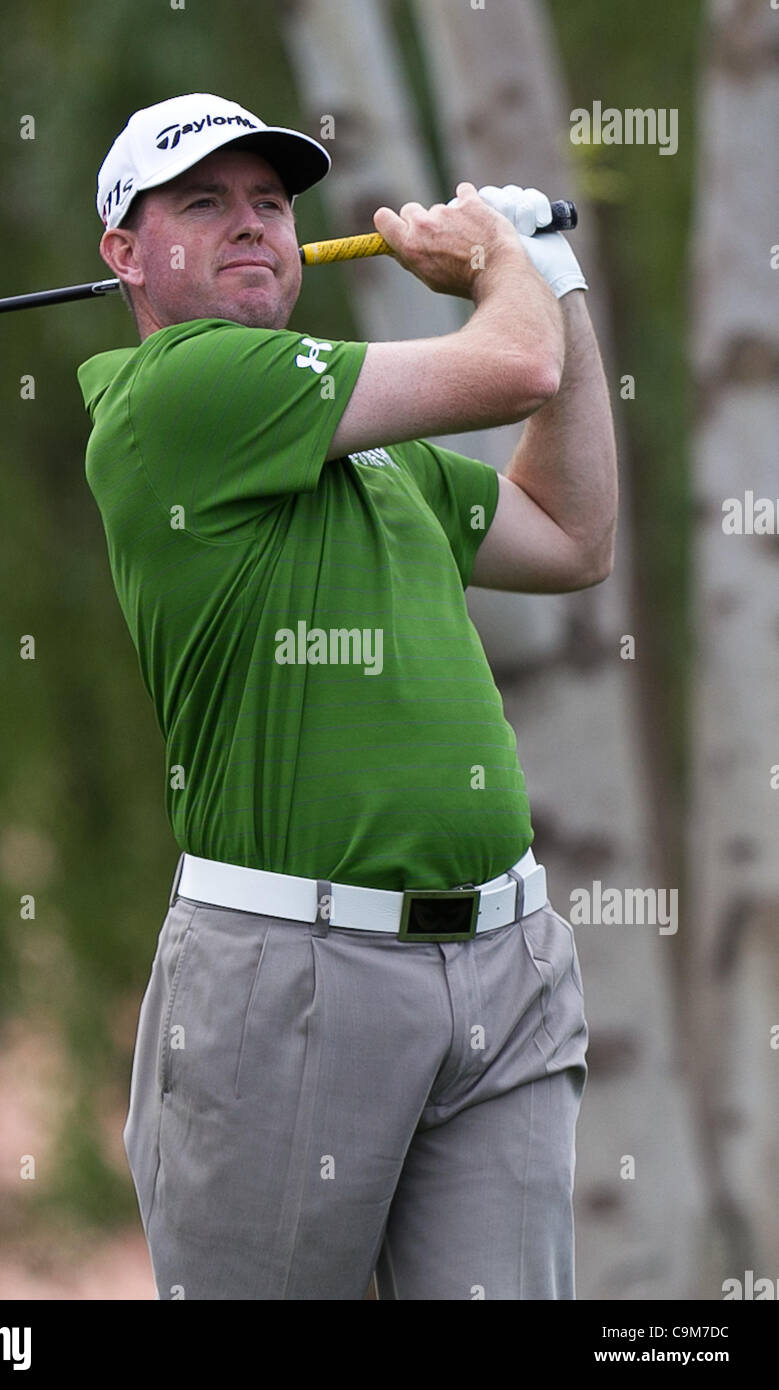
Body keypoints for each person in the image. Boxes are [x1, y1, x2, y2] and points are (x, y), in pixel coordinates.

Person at [78, 92, 616, 1301]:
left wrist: (555, 277)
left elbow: (572, 532)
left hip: (501, 968)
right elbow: (510, 363)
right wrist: (496, 261)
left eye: (269, 202)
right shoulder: (178, 392)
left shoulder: (361, 448)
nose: (252, 225)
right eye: (202, 204)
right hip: (291, 979)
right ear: (124, 254)